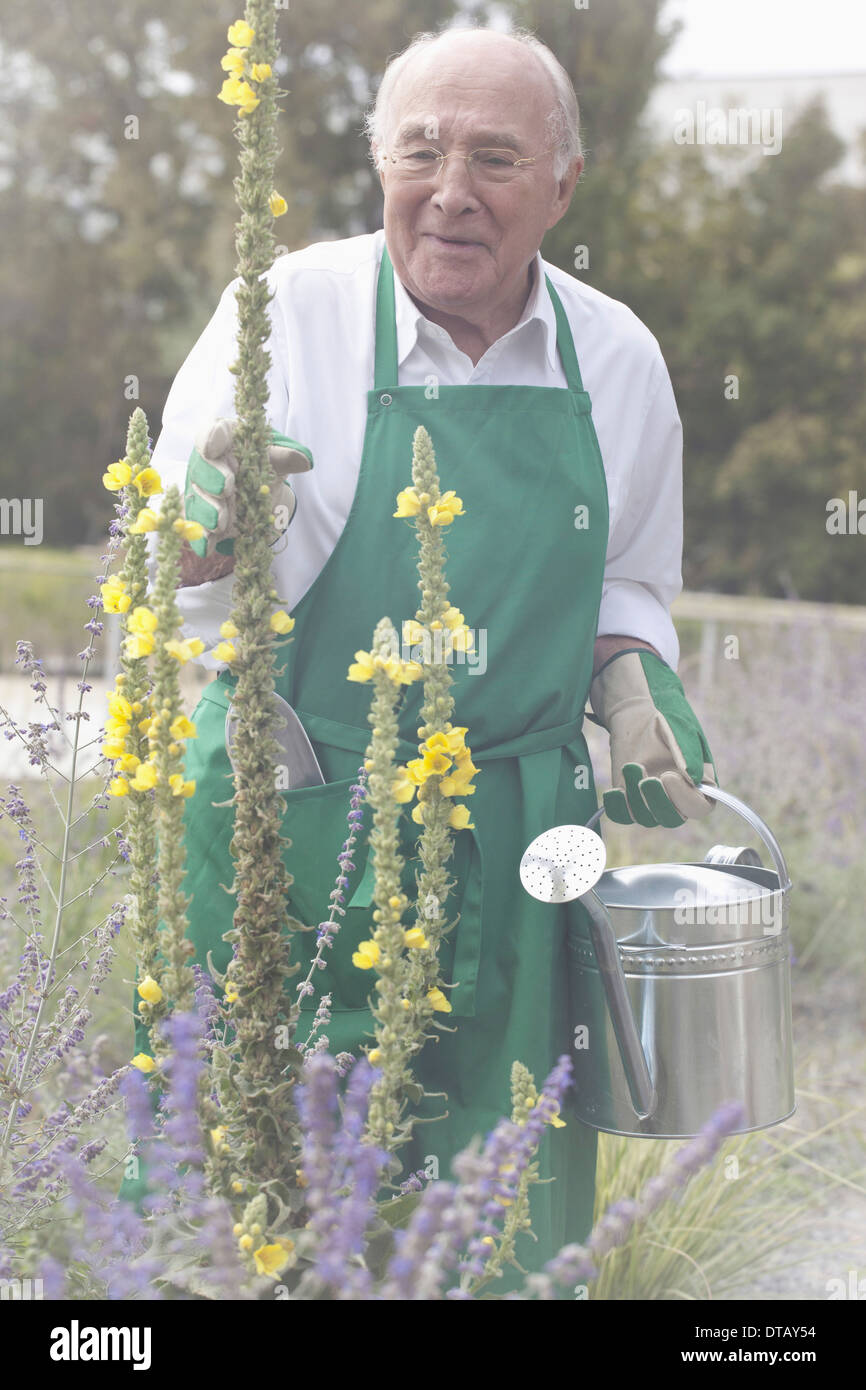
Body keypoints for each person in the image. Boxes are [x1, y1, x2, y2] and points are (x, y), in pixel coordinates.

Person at [136, 25, 718, 1289]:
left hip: (517, 843)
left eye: (494, 158)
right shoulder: (284, 312)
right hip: (288, 823)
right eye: (419, 151)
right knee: (250, 1181)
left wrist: (630, 681)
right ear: (377, 166)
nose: (449, 190)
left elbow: (626, 575)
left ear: (563, 185)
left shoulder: (615, 358)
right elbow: (163, 578)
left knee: (495, 1195)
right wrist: (200, 536)